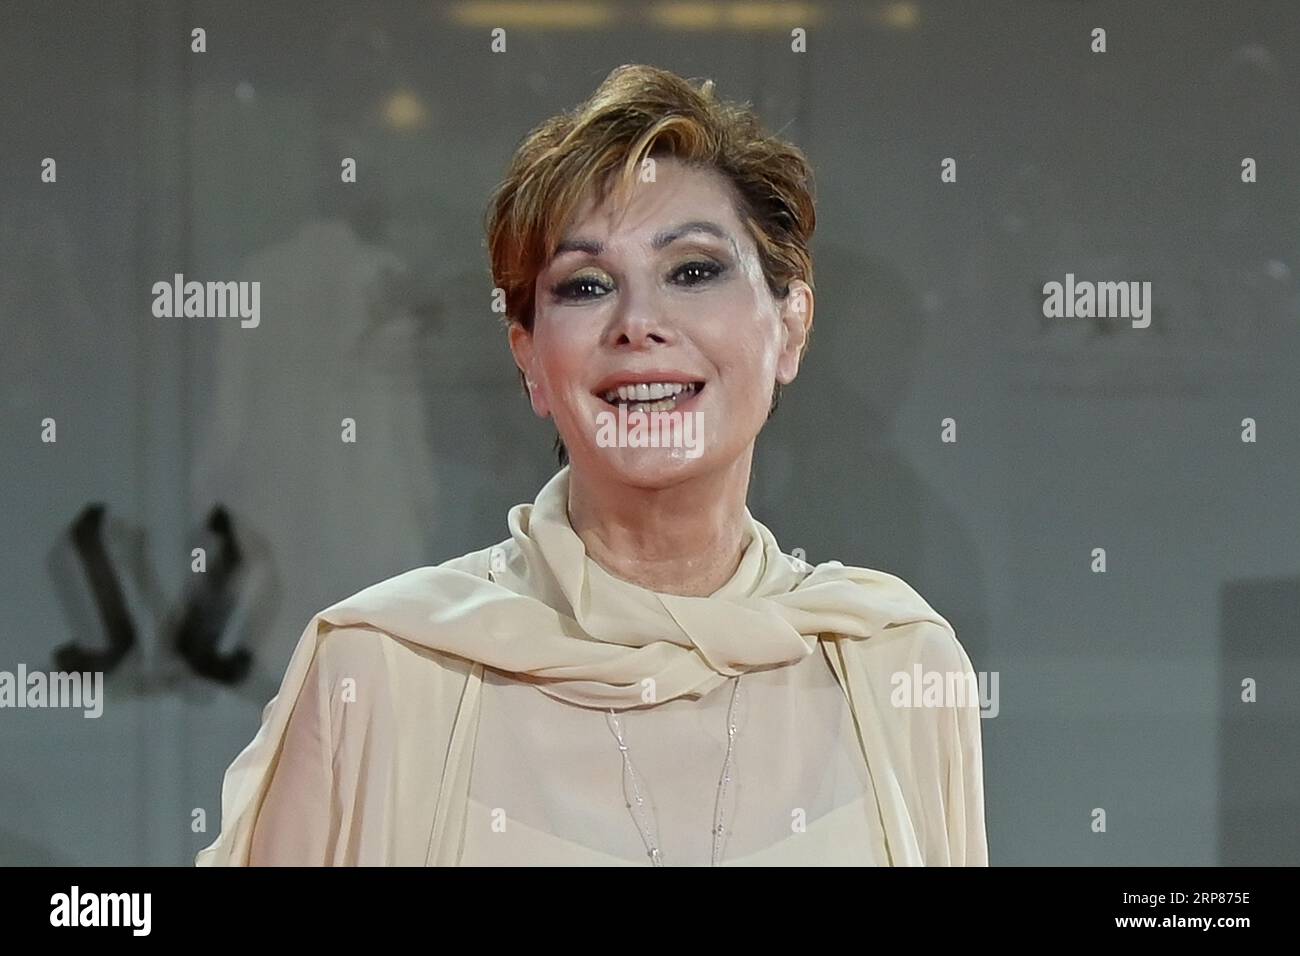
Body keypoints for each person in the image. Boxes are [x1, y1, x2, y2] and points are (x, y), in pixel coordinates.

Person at [196, 63, 987, 867]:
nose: (639, 322)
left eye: (693, 271)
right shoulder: (381, 670)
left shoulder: (898, 668)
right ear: (531, 361)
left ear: (790, 326)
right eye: (585, 285)